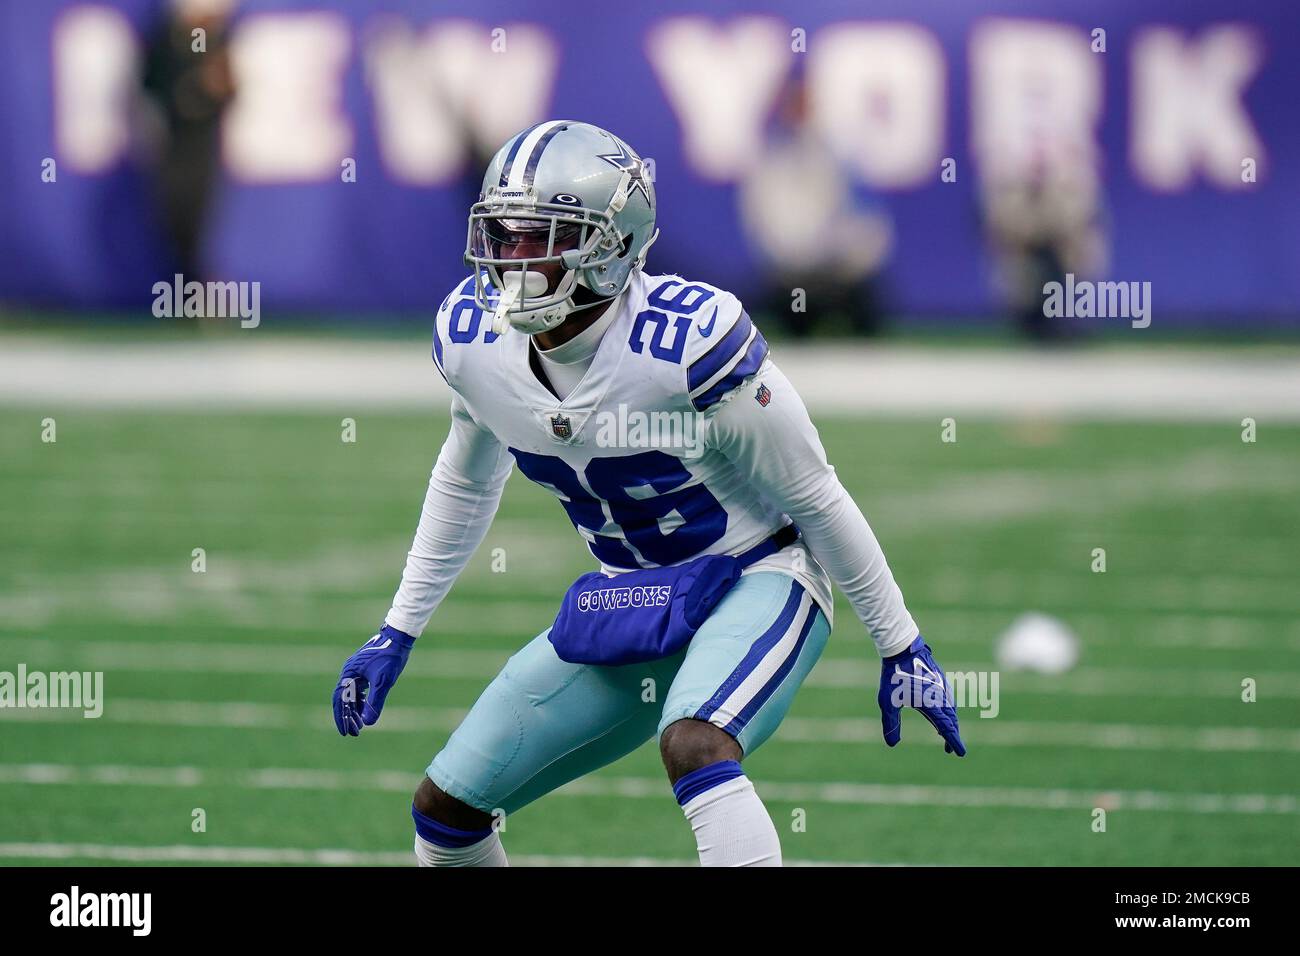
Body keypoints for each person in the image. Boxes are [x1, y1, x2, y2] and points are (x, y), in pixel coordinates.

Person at [332, 121, 964, 867]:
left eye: (543, 239)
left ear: (612, 244)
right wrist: (397, 628)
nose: (515, 262)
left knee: (696, 745)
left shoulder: (687, 342)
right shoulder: (473, 339)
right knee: (447, 813)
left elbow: (814, 495)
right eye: (505, 238)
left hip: (755, 574)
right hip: (629, 598)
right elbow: (465, 481)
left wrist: (900, 643)